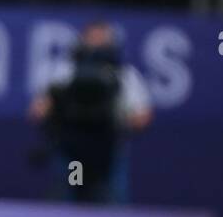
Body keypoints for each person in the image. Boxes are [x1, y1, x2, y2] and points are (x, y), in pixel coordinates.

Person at [28, 22, 152, 203]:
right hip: (74, 154)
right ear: (82, 42)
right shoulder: (66, 72)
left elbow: (143, 117)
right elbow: (37, 111)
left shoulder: (123, 75)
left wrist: (117, 119)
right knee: (69, 198)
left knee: (110, 202)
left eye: (102, 42)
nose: (96, 48)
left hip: (107, 153)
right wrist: (56, 112)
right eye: (92, 41)